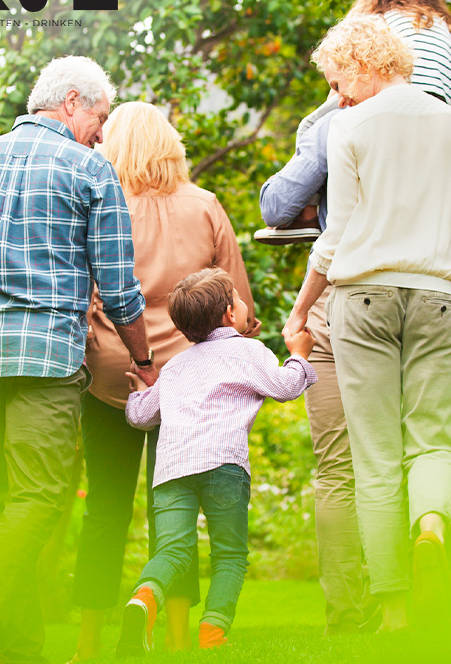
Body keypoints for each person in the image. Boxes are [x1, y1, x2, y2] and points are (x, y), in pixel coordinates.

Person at [253, 0, 451, 634]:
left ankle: (388, 611)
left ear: (362, 63)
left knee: (367, 462)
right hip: (439, 292)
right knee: (430, 443)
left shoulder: (345, 122)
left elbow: (330, 232)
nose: (337, 92)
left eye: (339, 80)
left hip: (361, 296)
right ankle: (430, 529)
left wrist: (299, 307)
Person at [0, 56, 156, 664]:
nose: (102, 131)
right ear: (72, 101)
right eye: (100, 116)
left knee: (4, 503)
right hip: (45, 360)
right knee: (39, 496)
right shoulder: (90, 169)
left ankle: (17, 648)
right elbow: (118, 286)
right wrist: (143, 358)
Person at [70, 102, 259, 660]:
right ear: (171, 144)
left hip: (114, 374)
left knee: (104, 507)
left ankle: (87, 644)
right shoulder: (204, 205)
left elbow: (80, 290)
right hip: (188, 384)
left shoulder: (100, 203)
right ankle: (177, 640)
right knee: (173, 510)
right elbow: (241, 309)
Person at [115, 268, 316, 656]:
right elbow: (287, 387)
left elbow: (141, 417)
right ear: (229, 313)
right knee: (229, 554)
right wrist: (298, 355)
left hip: (172, 469)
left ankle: (144, 598)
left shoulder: (175, 366)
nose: (243, 304)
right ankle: (213, 632)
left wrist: (140, 391)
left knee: (172, 552)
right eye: (239, 299)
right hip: (224, 464)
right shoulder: (249, 351)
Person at [255, 0, 451, 243]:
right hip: (436, 118)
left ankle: (308, 211)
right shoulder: (443, 26)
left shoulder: (376, 21)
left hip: (389, 101)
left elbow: (354, 76)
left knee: (314, 123)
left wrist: (336, 95)